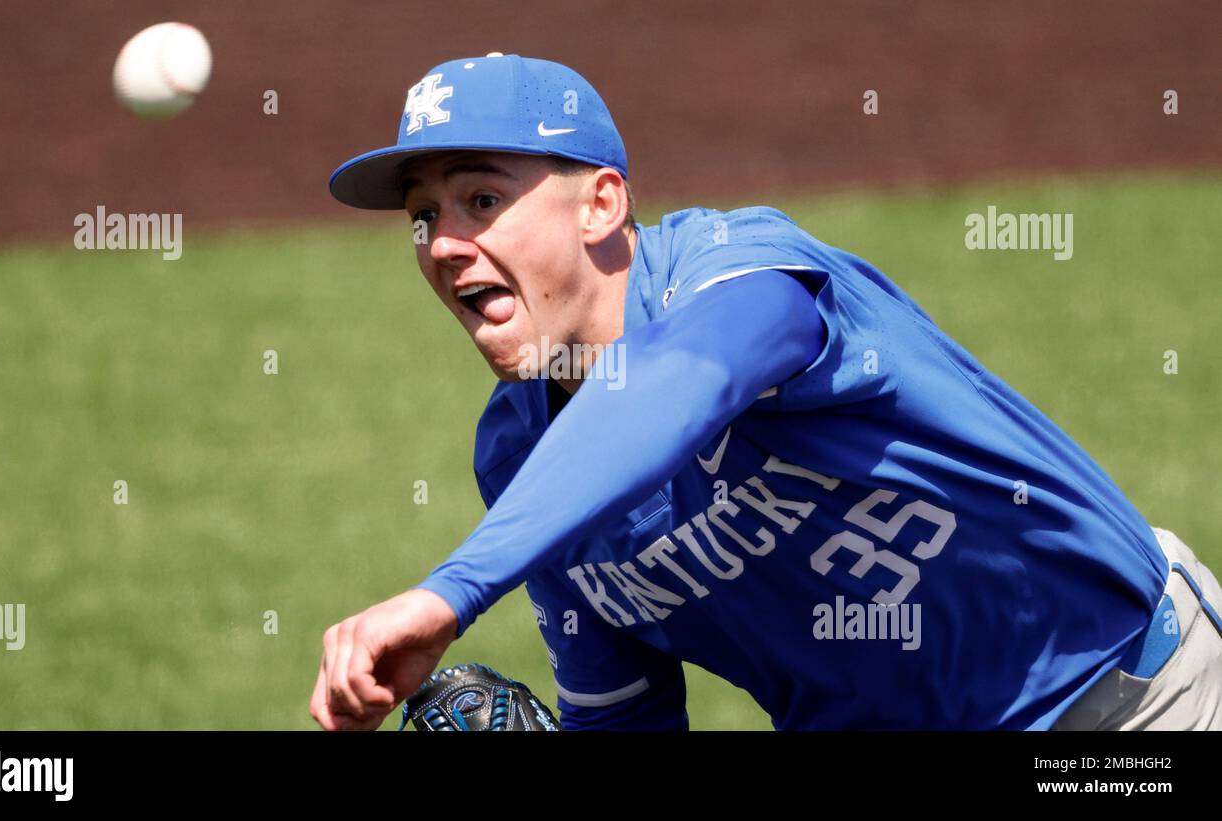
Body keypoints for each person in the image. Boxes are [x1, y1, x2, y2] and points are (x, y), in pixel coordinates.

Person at [311, 53, 1222, 731]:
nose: (441, 243)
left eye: (479, 199)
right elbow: (623, 711)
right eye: (424, 217)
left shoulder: (742, 276)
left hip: (1126, 703)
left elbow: (675, 389)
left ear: (601, 204)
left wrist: (451, 592)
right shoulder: (519, 459)